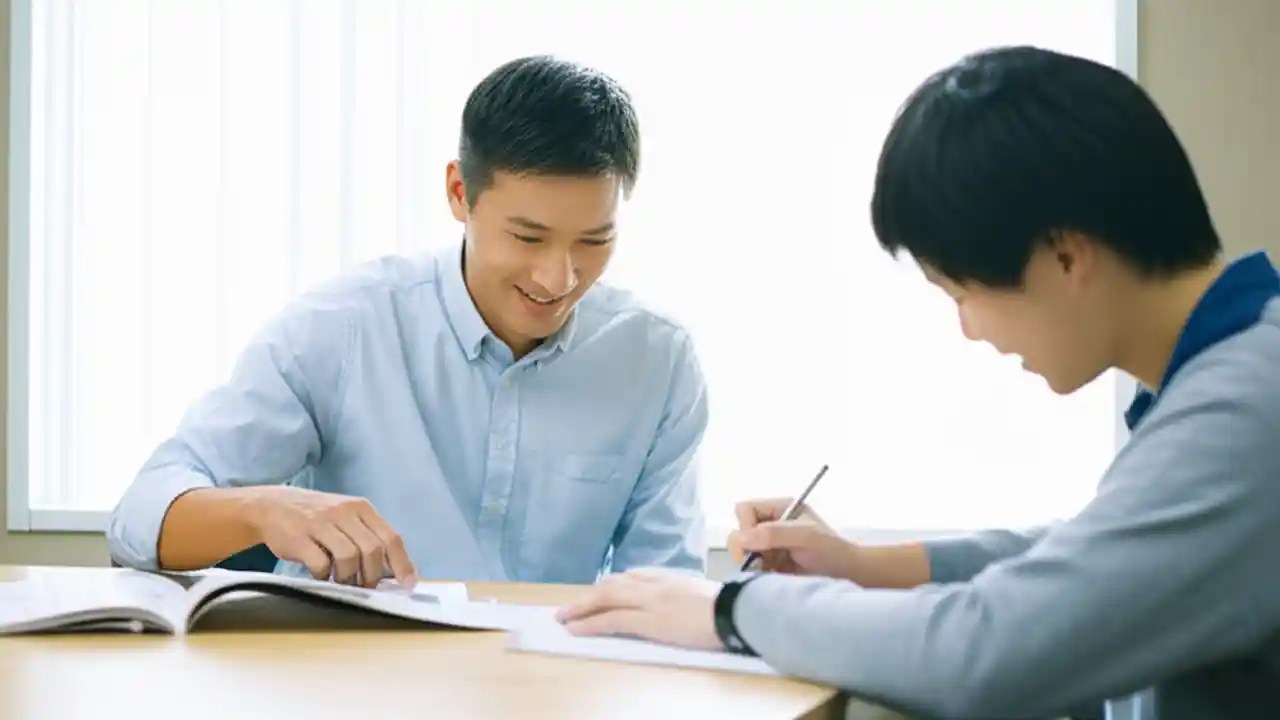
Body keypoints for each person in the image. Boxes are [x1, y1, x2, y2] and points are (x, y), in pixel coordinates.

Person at [556, 46, 1280, 720]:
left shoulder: (1249, 408)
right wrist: (866, 567)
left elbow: (987, 651)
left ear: (1065, 258)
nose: (970, 330)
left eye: (961, 292)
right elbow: (1102, 556)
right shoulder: (1235, 371)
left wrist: (730, 612)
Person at [107, 55, 709, 588]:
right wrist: (263, 509)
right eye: (527, 237)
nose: (560, 278)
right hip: (347, 683)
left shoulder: (657, 358)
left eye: (594, 240)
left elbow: (663, 586)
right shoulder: (344, 327)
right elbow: (139, 515)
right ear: (458, 192)